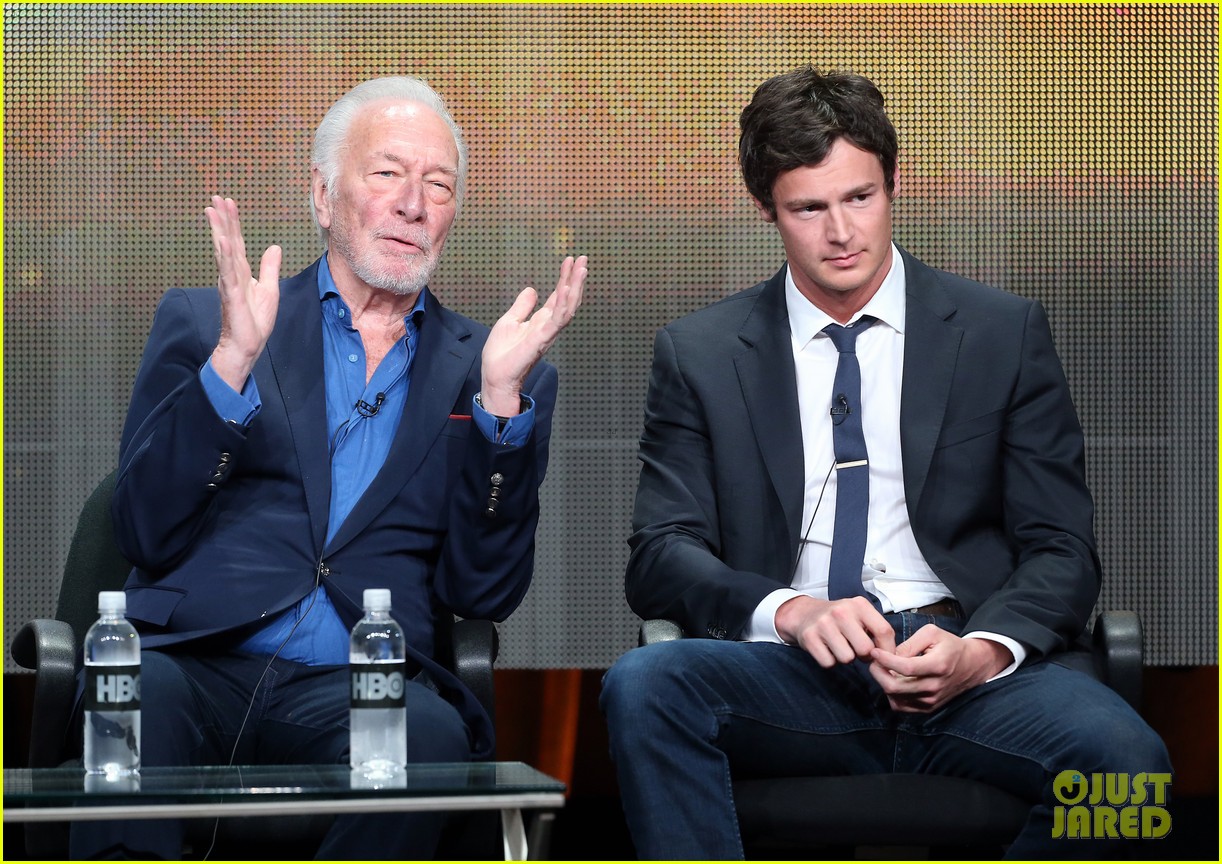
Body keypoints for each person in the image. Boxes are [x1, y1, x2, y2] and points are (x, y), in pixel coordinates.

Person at [600, 66, 1169, 859]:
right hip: (797, 674)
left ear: (893, 182)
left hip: (971, 666)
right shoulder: (699, 354)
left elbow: (1062, 550)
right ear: (769, 211)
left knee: (1130, 773)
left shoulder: (1001, 334)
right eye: (809, 208)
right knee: (646, 686)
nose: (841, 232)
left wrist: (982, 651)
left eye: (860, 198)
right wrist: (790, 612)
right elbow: (661, 556)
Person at [71, 75, 586, 859]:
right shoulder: (210, 322)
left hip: (365, 681)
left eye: (438, 185)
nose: (415, 203)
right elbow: (142, 527)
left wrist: (499, 407)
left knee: (432, 734)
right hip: (194, 659)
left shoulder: (492, 368)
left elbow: (479, 592)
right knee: (132, 695)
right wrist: (231, 367)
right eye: (388, 174)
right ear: (322, 195)